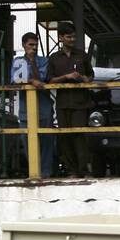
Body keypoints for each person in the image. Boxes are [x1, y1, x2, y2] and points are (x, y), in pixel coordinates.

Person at [46, 21, 97, 177]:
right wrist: (66, 77)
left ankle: (83, 169)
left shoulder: (81, 55)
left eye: (74, 36)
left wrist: (84, 79)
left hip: (81, 102)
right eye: (69, 37)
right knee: (65, 136)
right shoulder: (54, 58)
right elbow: (50, 80)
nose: (72, 39)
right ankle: (72, 170)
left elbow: (91, 76)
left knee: (79, 135)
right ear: (61, 38)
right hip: (63, 103)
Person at [9, 31, 55, 177]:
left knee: (47, 141)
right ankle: (34, 172)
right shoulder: (17, 61)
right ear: (24, 45)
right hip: (26, 110)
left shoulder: (44, 61)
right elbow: (15, 80)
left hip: (44, 107)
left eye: (35, 45)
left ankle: (46, 172)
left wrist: (31, 68)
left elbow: (43, 78)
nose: (33, 48)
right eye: (30, 45)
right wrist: (31, 81)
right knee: (28, 141)